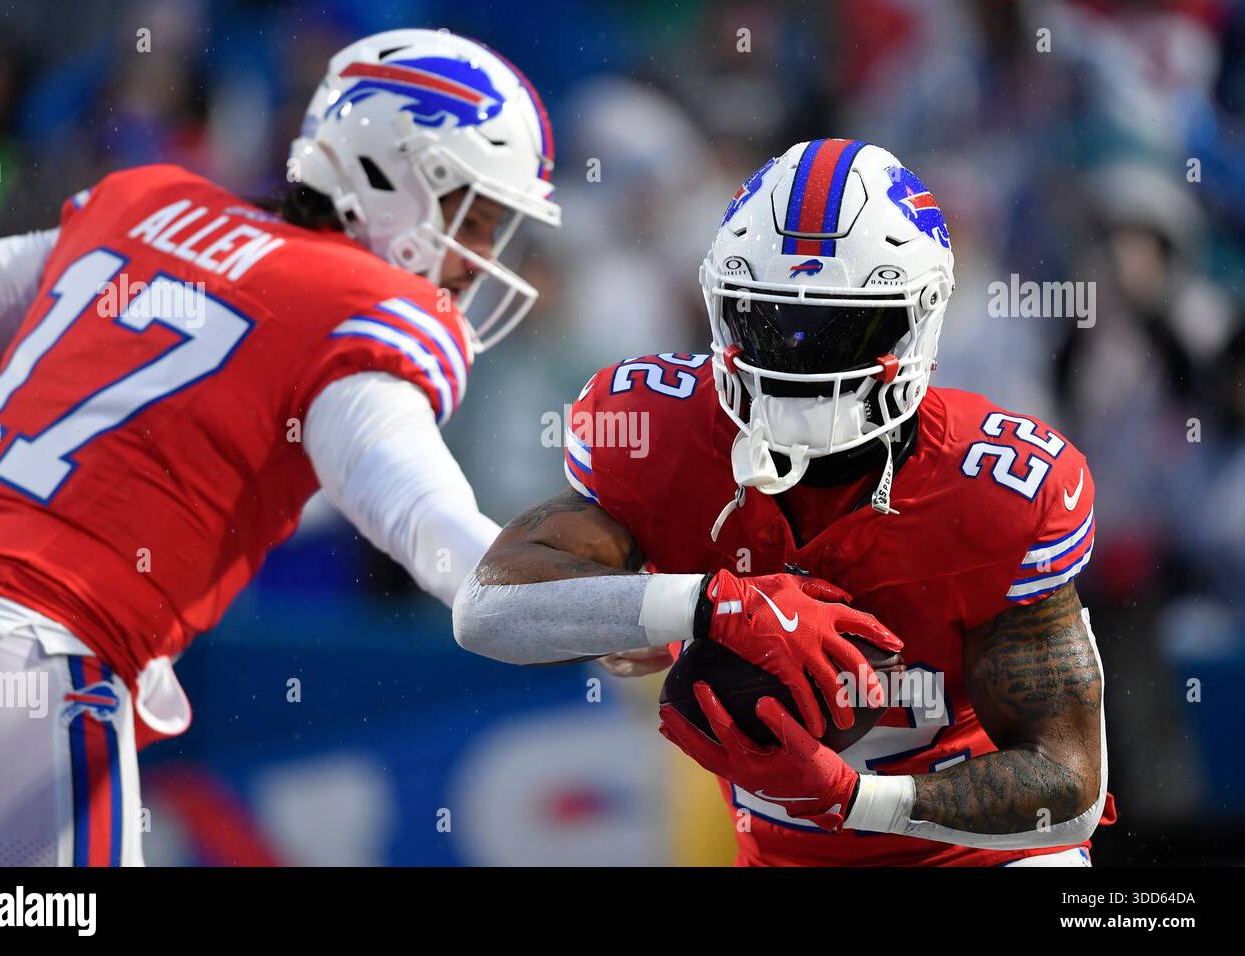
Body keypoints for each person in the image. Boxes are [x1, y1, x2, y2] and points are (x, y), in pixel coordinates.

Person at [0, 27, 559, 866]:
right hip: (28, 656)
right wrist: (624, 615)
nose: (483, 259)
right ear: (392, 173)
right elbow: (429, 521)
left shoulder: (148, 210)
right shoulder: (358, 311)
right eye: (477, 219)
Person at [454, 139, 1116, 866]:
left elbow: (1069, 792)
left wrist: (854, 801)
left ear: (919, 319)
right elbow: (486, 611)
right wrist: (711, 605)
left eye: (841, 330)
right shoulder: (663, 434)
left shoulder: (995, 490)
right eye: (767, 321)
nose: (798, 358)